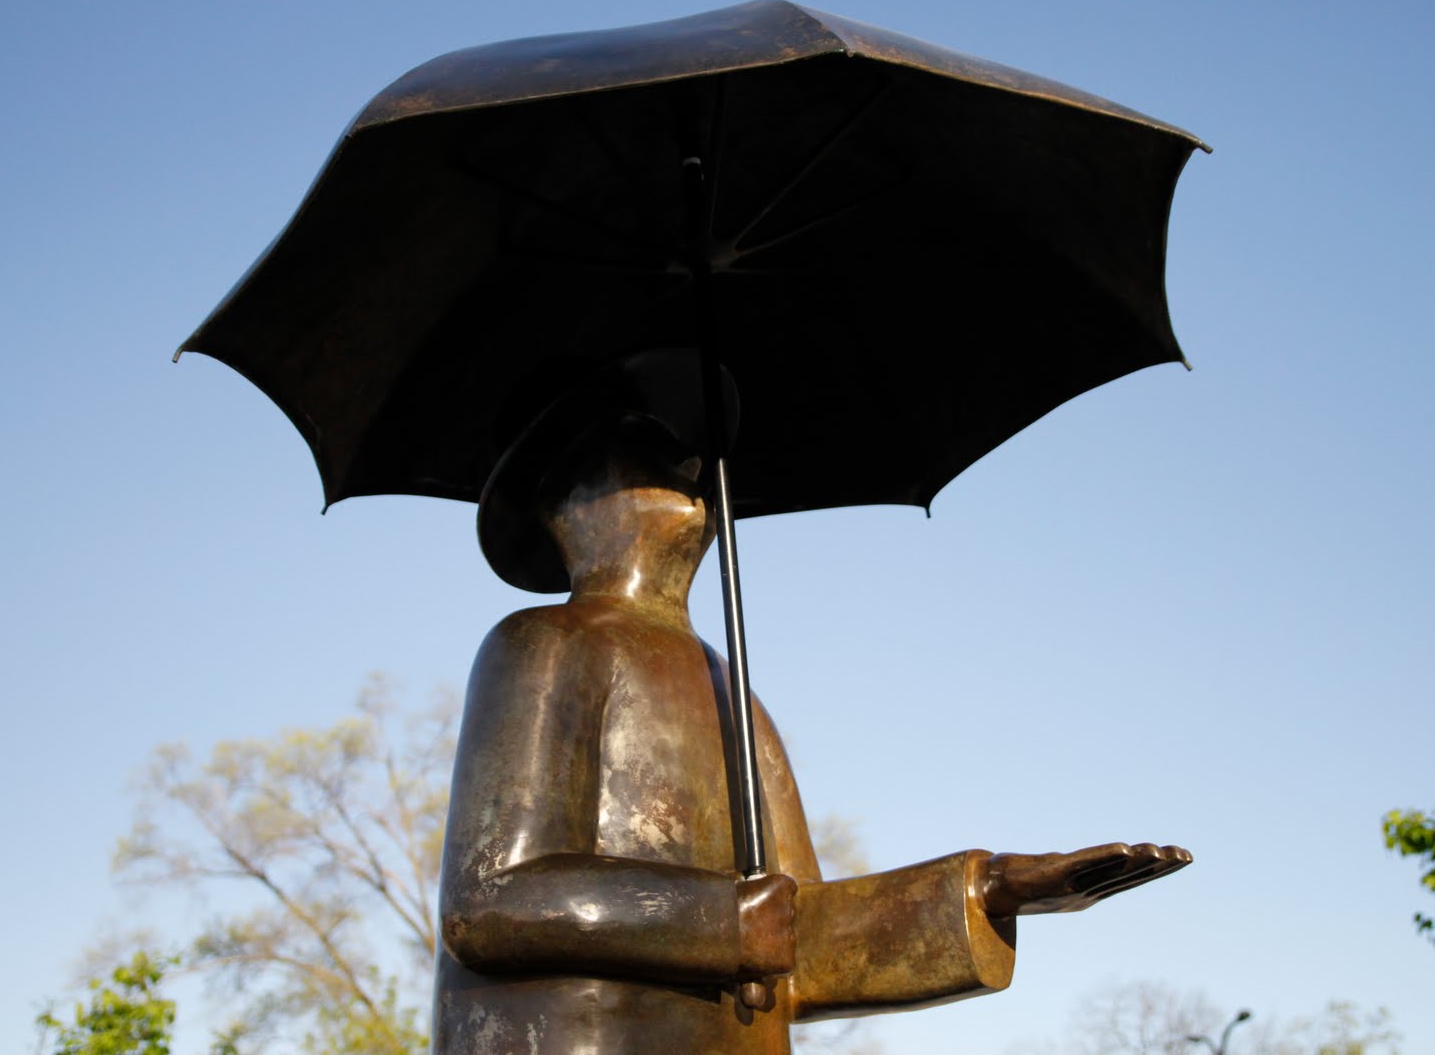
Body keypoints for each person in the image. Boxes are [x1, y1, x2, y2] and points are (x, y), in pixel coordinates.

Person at [432, 351, 1190, 1054]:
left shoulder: (739, 703)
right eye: (648, 447)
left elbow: (805, 937)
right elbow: (489, 897)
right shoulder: (540, 644)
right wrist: (720, 921)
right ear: (566, 498)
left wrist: (988, 888)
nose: (691, 470)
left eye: (690, 456)